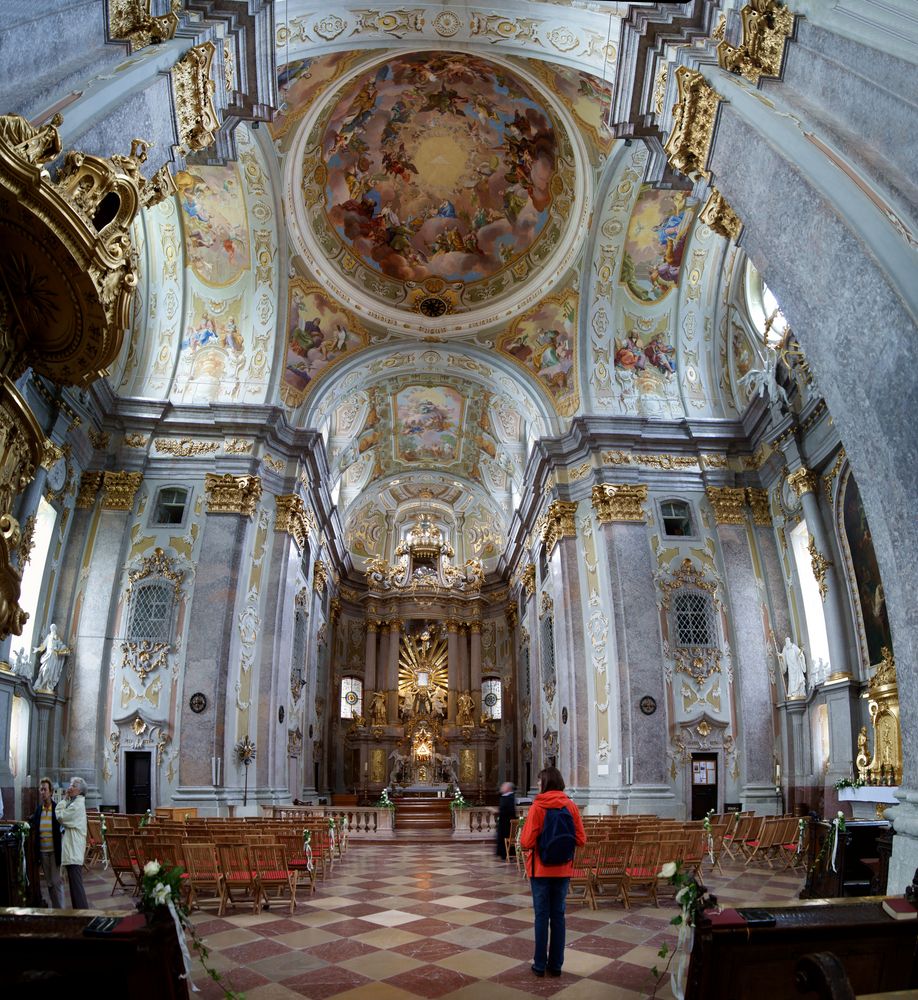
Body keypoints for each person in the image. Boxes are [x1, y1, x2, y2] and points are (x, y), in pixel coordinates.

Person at [519, 766, 586, 978]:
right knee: (558, 916)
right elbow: (581, 839)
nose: (538, 785)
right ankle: (556, 965)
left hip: (540, 870)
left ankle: (539, 965)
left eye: (540, 782)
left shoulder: (538, 806)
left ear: (546, 783)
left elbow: (526, 842)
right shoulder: (570, 806)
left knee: (542, 916)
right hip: (563, 869)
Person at [55, 776, 89, 909]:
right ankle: (79, 914)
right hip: (72, 851)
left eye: (73, 786)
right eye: (70, 784)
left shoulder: (77, 805)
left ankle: (84, 916)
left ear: (79, 791)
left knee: (77, 890)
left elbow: (61, 816)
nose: (69, 787)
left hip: (74, 852)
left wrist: (64, 800)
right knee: (75, 890)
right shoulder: (74, 803)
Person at [30, 777, 64, 908]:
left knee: (56, 882)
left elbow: (62, 827)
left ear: (51, 792)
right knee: (49, 883)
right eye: (41, 789)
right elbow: (34, 823)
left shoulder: (56, 809)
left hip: (54, 851)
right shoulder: (39, 810)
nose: (43, 792)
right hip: (43, 852)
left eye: (45, 789)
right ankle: (55, 910)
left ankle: (61, 912)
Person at [33, 623, 69, 692]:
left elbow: (61, 646)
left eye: (54, 628)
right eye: (52, 628)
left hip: (54, 656)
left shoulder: (57, 638)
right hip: (48, 655)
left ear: (55, 629)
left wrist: (64, 650)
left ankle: (48, 685)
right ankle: (41, 685)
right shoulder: (49, 636)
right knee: (45, 669)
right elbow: (44, 646)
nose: (53, 629)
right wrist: (37, 649)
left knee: (51, 672)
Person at [496, 781, 516, 860]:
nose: (501, 788)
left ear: (508, 788)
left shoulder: (510, 797)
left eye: (503, 786)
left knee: (506, 837)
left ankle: (506, 853)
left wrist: (497, 811)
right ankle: (503, 853)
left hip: (507, 823)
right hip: (503, 822)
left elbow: (509, 811)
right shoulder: (505, 796)